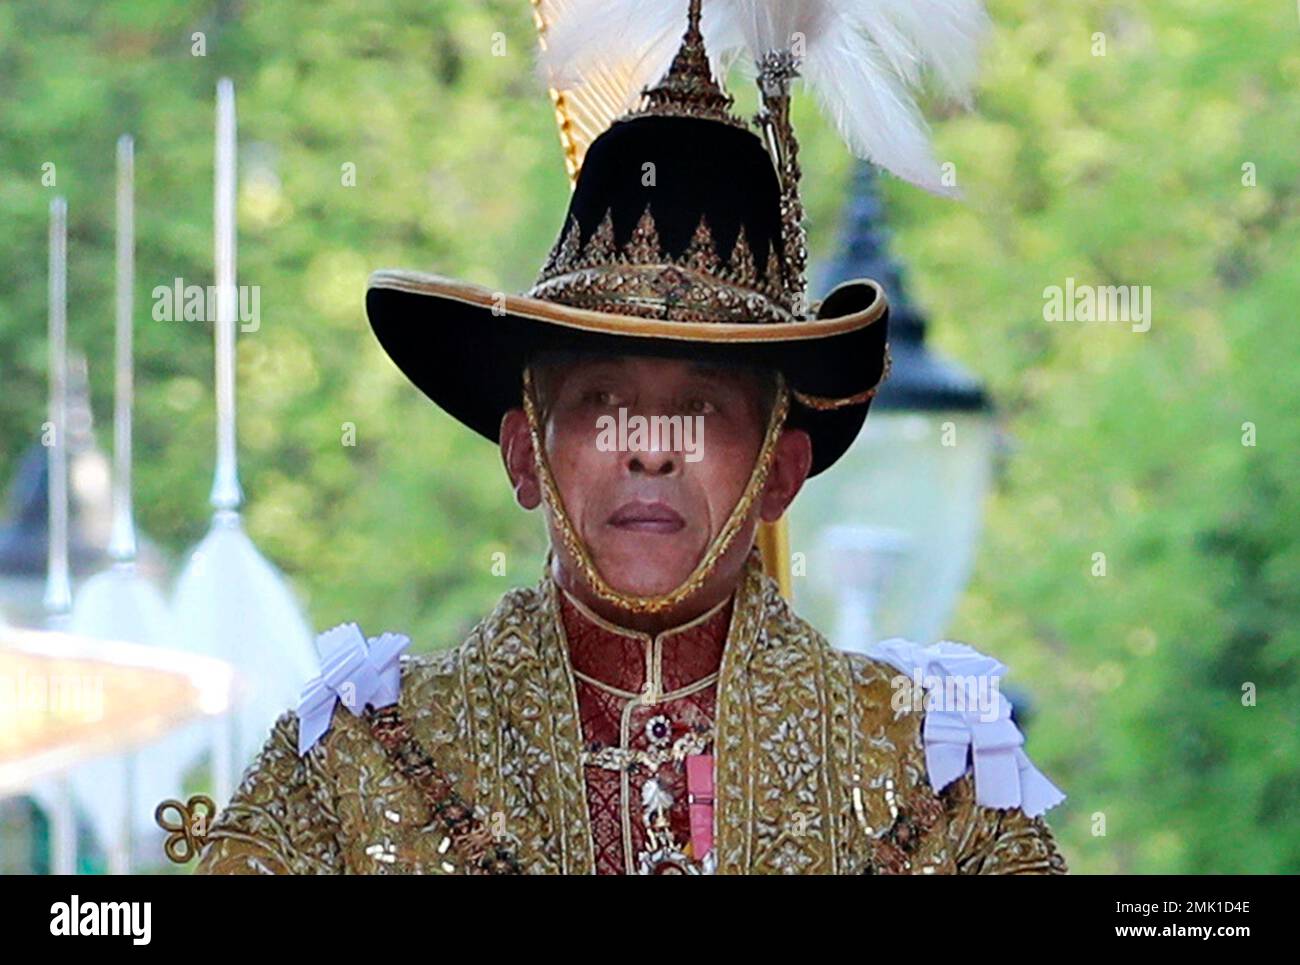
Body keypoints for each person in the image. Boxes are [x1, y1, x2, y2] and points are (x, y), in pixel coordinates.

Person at [193, 0, 1067, 875]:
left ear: (781, 470)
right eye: (602, 398)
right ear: (525, 453)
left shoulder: (938, 779)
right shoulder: (354, 771)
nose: (650, 445)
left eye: (705, 408)